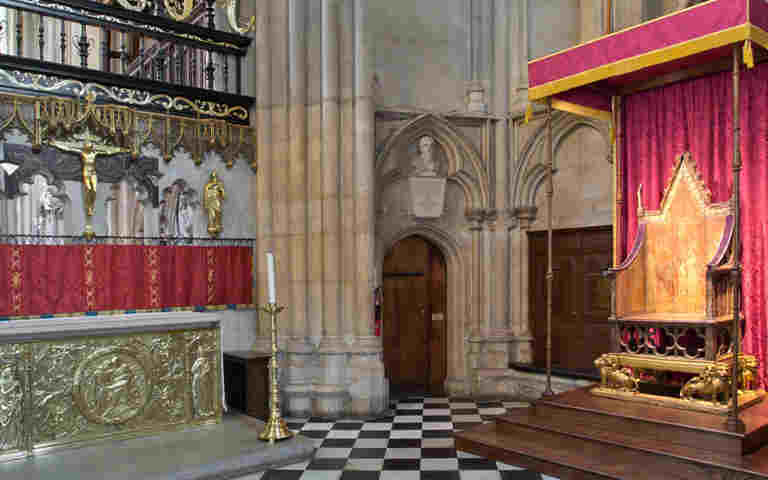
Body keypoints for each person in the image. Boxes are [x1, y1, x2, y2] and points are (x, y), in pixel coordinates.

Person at [203, 170, 226, 237]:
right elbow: (206, 194)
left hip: (217, 201)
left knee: (218, 213)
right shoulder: (208, 185)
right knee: (212, 215)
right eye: (213, 177)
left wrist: (221, 189)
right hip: (210, 202)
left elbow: (223, 195)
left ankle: (217, 226)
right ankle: (211, 226)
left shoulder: (219, 184)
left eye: (215, 177)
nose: (214, 178)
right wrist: (206, 203)